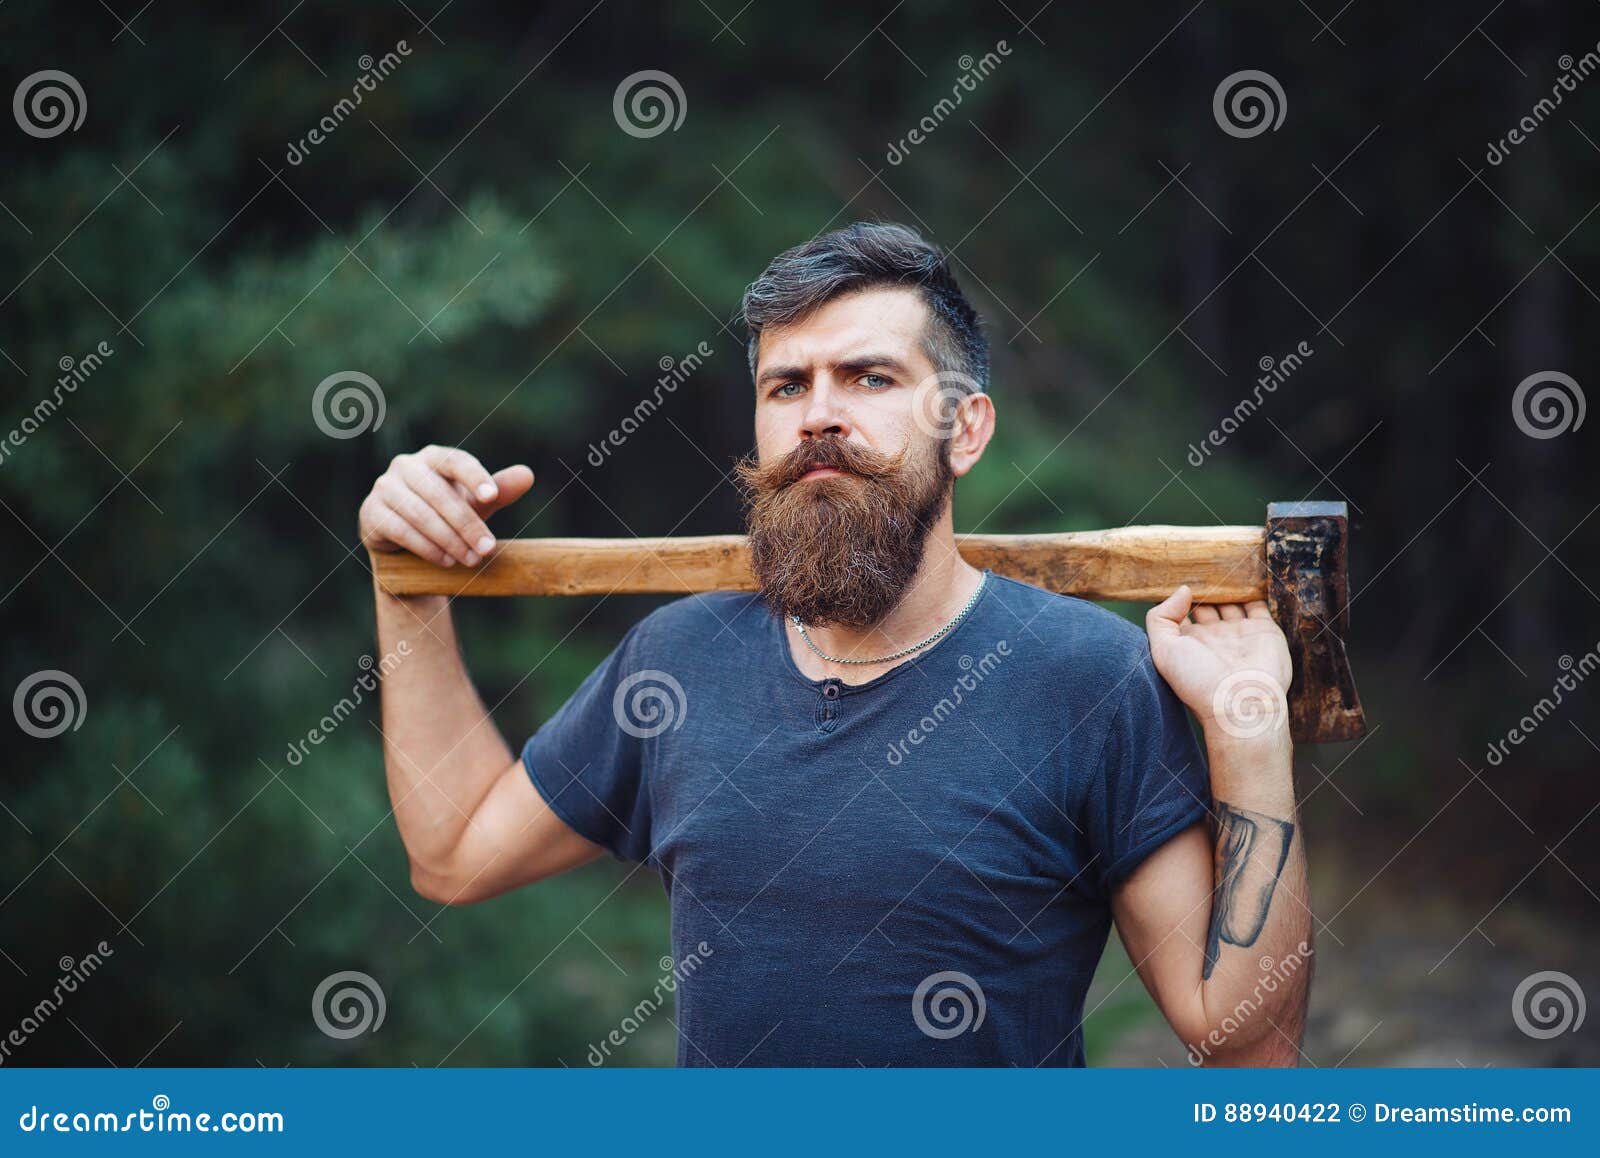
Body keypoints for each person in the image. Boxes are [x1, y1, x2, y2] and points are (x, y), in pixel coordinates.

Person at [359, 221, 1309, 1066]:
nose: (818, 412)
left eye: (869, 377)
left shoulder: (1087, 679)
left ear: (965, 429)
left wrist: (1250, 733)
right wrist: (408, 595)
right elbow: (455, 854)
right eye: (787, 385)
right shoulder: (676, 663)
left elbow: (1248, 1048)